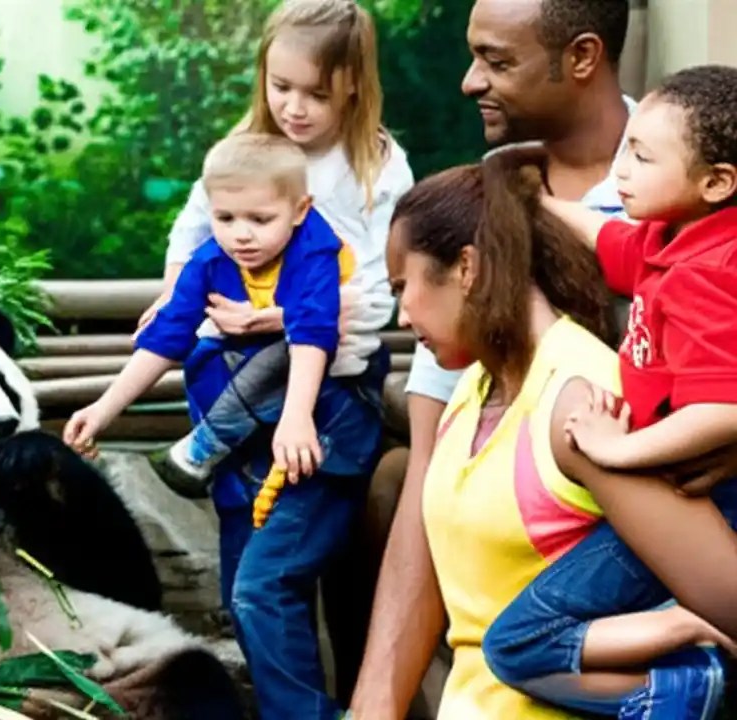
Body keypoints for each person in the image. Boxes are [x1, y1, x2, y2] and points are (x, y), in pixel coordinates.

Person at [357, 146, 737, 719]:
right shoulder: (473, 387)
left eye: (400, 286)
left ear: (466, 267)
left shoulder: (580, 399)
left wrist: (681, 637)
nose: (403, 316)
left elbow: (725, 592)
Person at [350, 2, 642, 715]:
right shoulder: (479, 211)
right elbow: (434, 475)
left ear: (580, 58)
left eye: (498, 60)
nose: (468, 81)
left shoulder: (692, 182)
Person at [135, 1, 412, 702]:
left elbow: (376, 298)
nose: (293, 107)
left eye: (315, 93)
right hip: (229, 384)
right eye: (279, 85)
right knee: (243, 586)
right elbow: (190, 239)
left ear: (353, 82)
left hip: (328, 392)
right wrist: (181, 297)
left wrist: (272, 318)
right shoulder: (246, 150)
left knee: (280, 582)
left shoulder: (374, 169)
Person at [65, 130, 367, 718]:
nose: (241, 233)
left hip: (310, 443)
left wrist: (299, 416)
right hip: (240, 462)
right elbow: (165, 337)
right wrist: (104, 409)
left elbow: (312, 332)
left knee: (262, 589)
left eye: (259, 217)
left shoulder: (312, 249)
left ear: (299, 209)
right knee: (243, 597)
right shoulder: (212, 260)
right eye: (225, 217)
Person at [480, 64, 737, 718]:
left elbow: (723, 410)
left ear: (715, 183)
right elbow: (611, 243)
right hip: (673, 481)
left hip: (702, 494)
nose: (621, 171)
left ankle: (683, 687)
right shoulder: (671, 236)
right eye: (627, 148)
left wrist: (618, 455)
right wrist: (538, 202)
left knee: (517, 643)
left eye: (643, 158)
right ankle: (683, 658)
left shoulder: (709, 273)